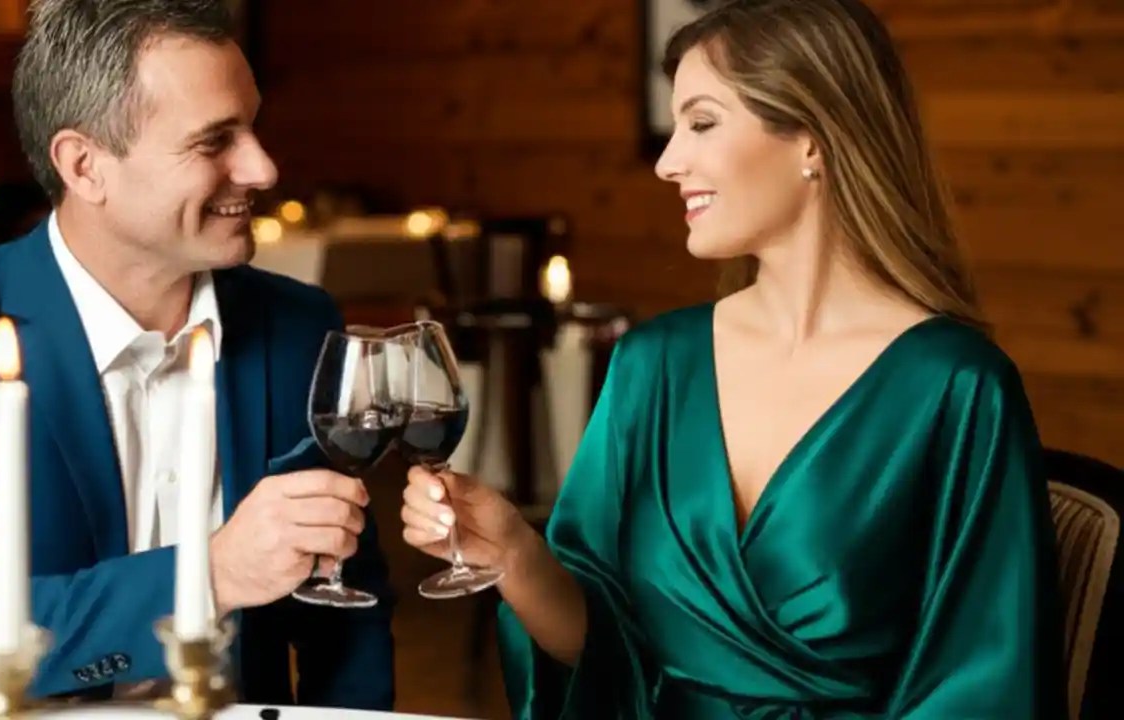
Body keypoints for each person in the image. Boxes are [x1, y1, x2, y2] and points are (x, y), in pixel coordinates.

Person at [401, 0, 1066, 717]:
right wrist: (515, 556)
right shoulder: (653, 366)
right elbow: (606, 663)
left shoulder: (955, 388)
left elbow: (984, 689)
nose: (667, 162)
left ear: (811, 138)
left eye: (702, 122)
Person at [0, 0, 393, 710]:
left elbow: (348, 611)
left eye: (254, 127)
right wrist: (209, 576)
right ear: (84, 165)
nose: (261, 166)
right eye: (213, 141)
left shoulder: (298, 326)